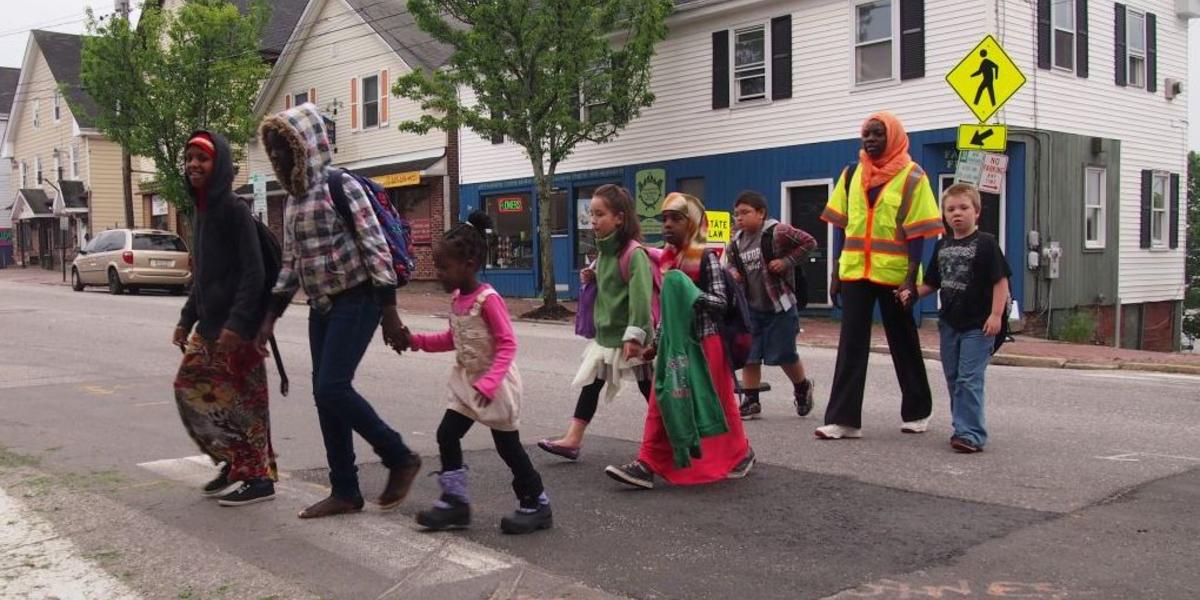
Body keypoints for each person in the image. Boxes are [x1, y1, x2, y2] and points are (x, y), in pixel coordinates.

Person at [255, 104, 422, 519]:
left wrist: (390, 313)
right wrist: (269, 318)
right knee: (324, 396)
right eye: (272, 150)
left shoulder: (340, 185)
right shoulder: (292, 200)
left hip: (359, 296)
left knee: (332, 387)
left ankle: (399, 456)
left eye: (284, 147)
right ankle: (345, 490)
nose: (277, 157)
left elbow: (374, 248)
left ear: (306, 146)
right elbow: (291, 265)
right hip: (322, 305)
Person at [397, 214, 552, 534]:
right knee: (447, 434)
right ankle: (455, 502)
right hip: (468, 384)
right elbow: (452, 339)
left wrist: (491, 380)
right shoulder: (457, 300)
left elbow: (508, 345)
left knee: (508, 447)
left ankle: (537, 503)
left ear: (468, 265)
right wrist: (416, 341)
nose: (438, 274)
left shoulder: (488, 300)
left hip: (495, 385)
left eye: (443, 267)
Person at [605, 193, 754, 489]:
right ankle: (647, 463)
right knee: (664, 401)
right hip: (676, 345)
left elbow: (720, 302)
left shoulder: (706, 257)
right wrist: (656, 344)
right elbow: (669, 313)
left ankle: (739, 454)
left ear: (694, 222)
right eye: (665, 219)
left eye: (676, 218)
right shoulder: (669, 259)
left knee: (716, 403)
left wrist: (690, 293)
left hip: (706, 344)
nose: (668, 225)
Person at [816, 111, 944, 440]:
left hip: (894, 274)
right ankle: (843, 420)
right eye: (866, 135)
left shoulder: (913, 176)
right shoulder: (851, 175)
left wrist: (910, 281)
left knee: (903, 341)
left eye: (877, 134)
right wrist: (836, 273)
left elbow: (917, 233)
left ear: (894, 137)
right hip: (856, 271)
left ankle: (917, 411)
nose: (870, 140)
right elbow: (843, 228)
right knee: (851, 344)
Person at [172, 130, 277, 507]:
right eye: (189, 159)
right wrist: (187, 319)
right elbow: (204, 276)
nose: (193, 165)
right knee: (190, 388)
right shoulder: (200, 210)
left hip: (239, 330)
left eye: (202, 159)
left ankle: (259, 477)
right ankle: (235, 463)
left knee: (245, 404)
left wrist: (238, 324)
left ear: (219, 166)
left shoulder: (233, 209)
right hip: (210, 326)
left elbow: (254, 273)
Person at [538, 184, 654, 461]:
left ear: (619, 218)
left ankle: (671, 442)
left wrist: (635, 336)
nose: (593, 221)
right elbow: (610, 287)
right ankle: (572, 439)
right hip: (607, 337)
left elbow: (641, 299)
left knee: (651, 392)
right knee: (592, 384)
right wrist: (593, 277)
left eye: (599, 214)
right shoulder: (605, 252)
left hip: (629, 338)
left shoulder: (634, 253)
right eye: (591, 214)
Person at [900, 184, 1010, 453]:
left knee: (969, 378)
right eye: (950, 209)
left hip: (979, 324)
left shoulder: (986, 243)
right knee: (953, 376)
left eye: (963, 208)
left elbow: (1000, 281)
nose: (957, 214)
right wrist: (911, 294)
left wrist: (996, 315)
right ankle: (961, 426)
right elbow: (933, 283)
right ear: (944, 215)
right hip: (949, 322)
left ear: (977, 212)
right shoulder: (942, 246)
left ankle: (971, 434)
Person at [725, 190, 818, 420]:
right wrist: (734, 273)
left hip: (779, 306)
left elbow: (809, 242)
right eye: (736, 214)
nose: (740, 218)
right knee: (750, 354)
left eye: (745, 212)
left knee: (784, 354)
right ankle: (751, 400)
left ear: (761, 213)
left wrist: (786, 261)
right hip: (751, 308)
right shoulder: (736, 243)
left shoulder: (777, 232)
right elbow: (729, 265)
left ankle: (802, 387)